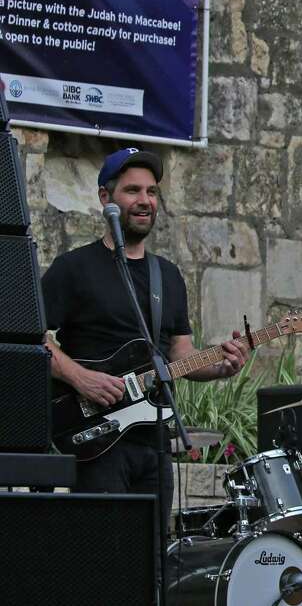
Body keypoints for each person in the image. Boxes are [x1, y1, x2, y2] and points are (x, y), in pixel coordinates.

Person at [41, 147, 249, 516]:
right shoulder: (73, 268)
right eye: (132, 190)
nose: (144, 201)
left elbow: (180, 356)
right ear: (106, 198)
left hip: (153, 442)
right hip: (96, 439)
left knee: (153, 559)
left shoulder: (166, 276)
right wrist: (80, 377)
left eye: (151, 192)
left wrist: (220, 366)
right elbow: (29, 337)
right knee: (104, 553)